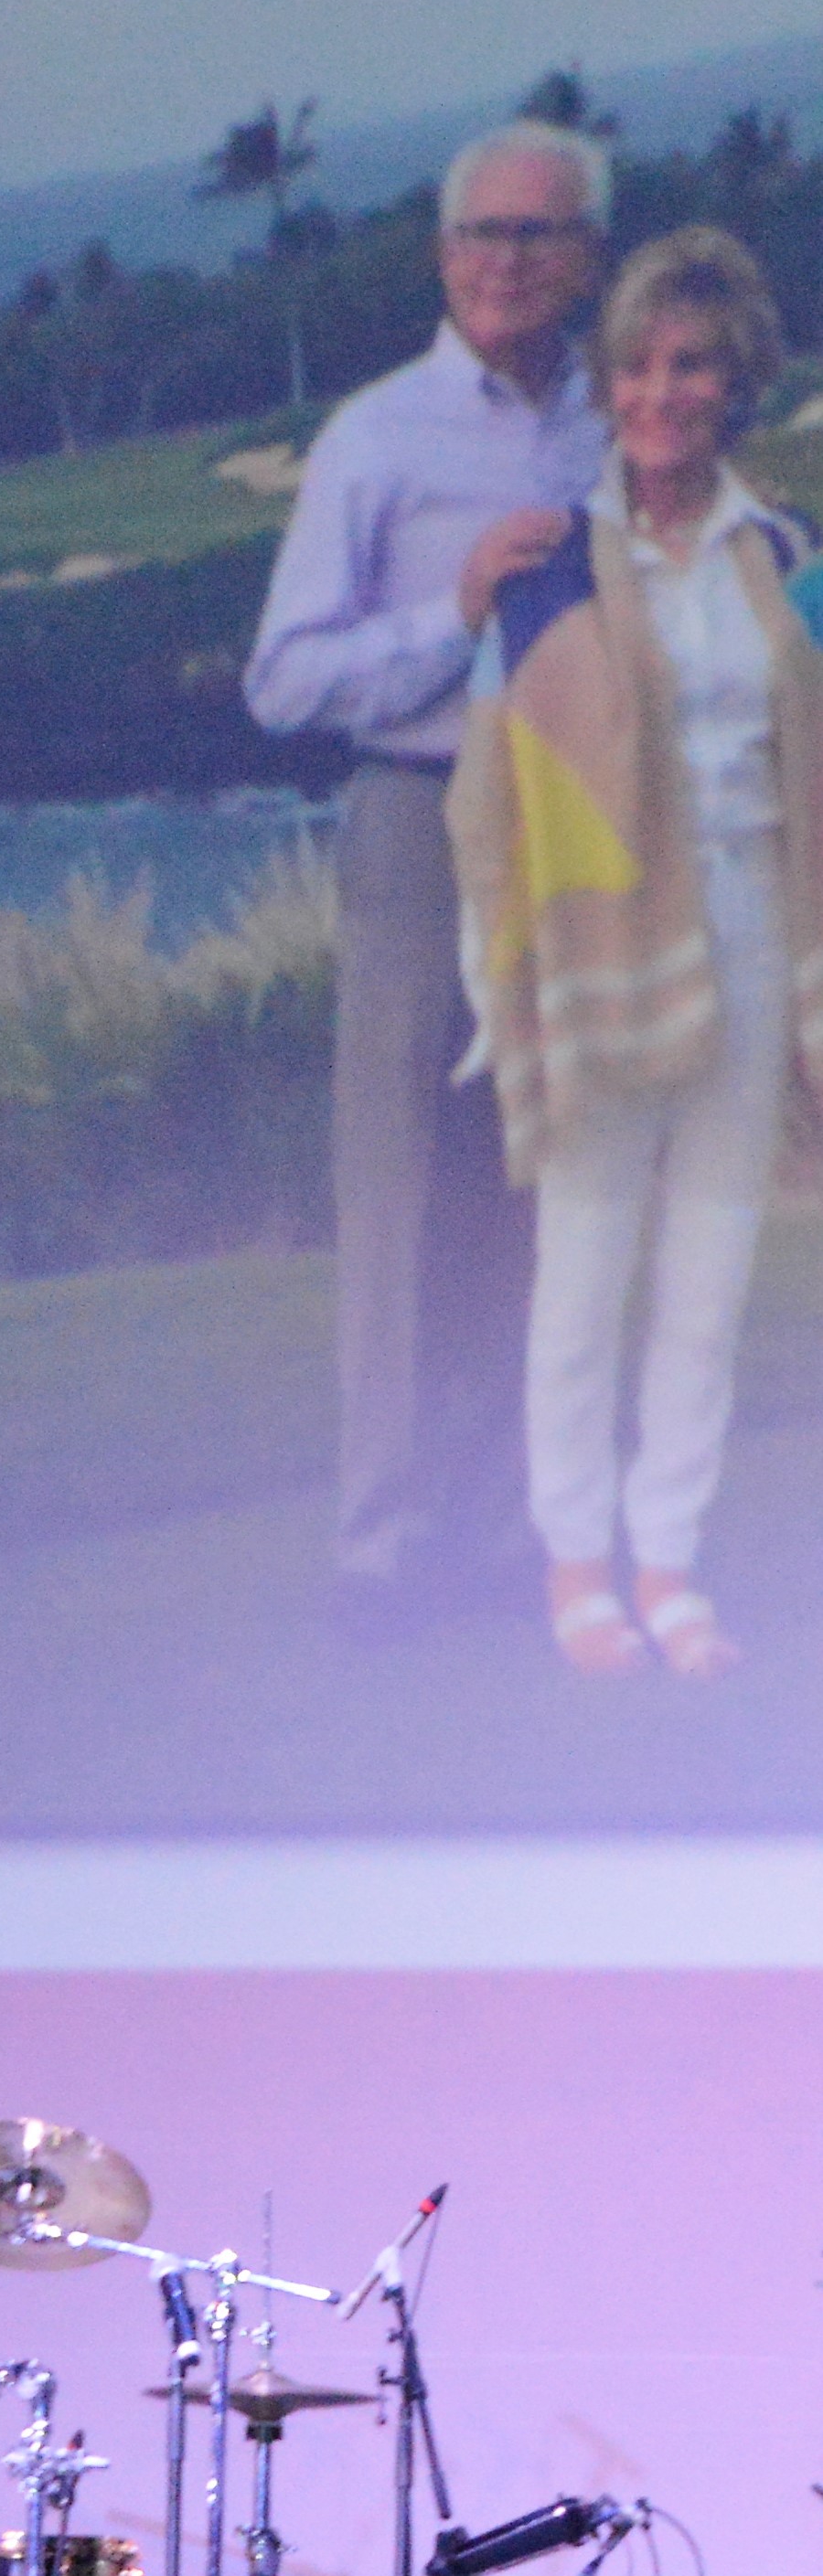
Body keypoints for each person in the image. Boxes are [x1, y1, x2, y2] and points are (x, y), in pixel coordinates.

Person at [247, 118, 612, 1634]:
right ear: (443, 253)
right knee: (402, 1182)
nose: (506, 262)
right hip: (415, 815)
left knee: (554, 1179)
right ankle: (385, 1550)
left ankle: (521, 1519)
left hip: (580, 822)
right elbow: (281, 679)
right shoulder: (377, 437)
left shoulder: (622, 412)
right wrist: (449, 618)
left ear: (586, 255)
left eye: (538, 235)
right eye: (481, 234)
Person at [452, 228, 822, 1680]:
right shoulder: (546, 569)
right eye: (640, 366)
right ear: (607, 386)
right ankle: (577, 1569)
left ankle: (668, 1566)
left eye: (693, 364)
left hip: (752, 939)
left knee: (708, 1283)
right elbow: (494, 798)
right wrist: (511, 982)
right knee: (586, 1278)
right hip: (607, 953)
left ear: (735, 379)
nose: (664, 392)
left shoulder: (786, 557)